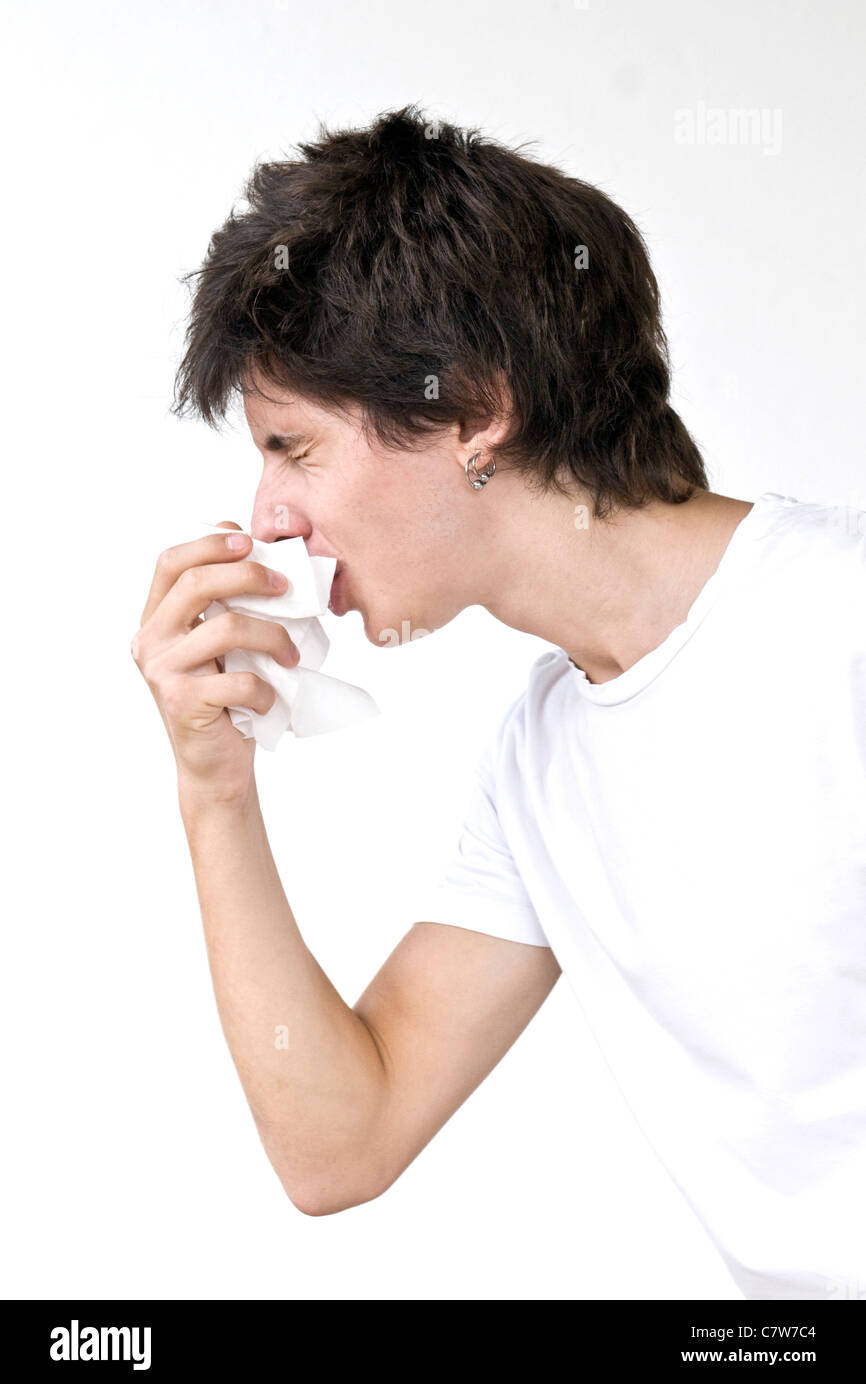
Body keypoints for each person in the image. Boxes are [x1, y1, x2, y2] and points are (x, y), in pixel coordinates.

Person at [131, 105, 866, 1301]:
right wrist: (212, 785)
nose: (265, 516)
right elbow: (340, 1145)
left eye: (292, 448)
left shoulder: (840, 624)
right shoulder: (543, 755)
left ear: (473, 409)